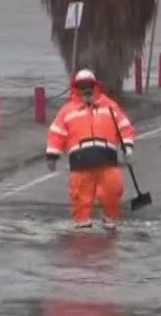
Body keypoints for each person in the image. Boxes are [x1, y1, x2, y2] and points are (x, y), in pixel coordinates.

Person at [46, 68, 136, 229]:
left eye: (89, 85)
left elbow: (124, 127)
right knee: (80, 198)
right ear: (75, 88)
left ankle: (111, 224)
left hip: (107, 162)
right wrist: (52, 155)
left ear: (95, 86)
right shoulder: (67, 111)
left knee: (112, 193)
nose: (85, 89)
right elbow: (56, 133)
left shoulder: (110, 106)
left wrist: (127, 146)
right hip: (81, 164)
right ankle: (81, 229)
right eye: (81, 85)